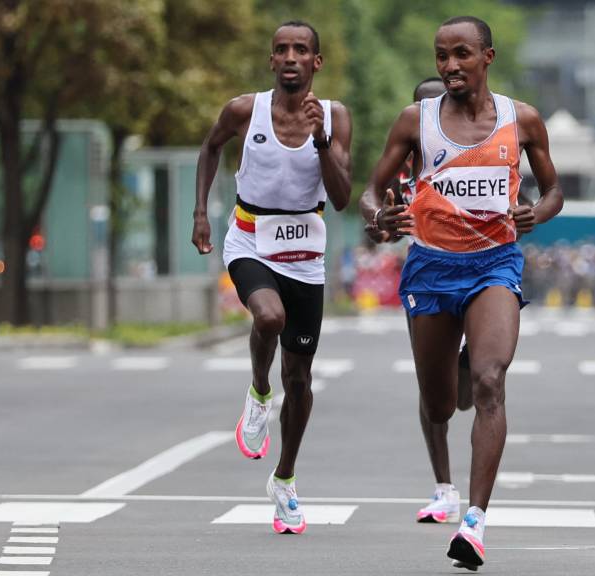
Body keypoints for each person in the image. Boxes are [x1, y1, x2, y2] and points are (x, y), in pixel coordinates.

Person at [360, 16, 563, 570]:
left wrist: (536, 213)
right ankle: (460, 370)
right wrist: (381, 215)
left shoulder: (522, 120)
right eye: (441, 56)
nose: (450, 66)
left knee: (491, 381)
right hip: (431, 267)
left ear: (487, 57)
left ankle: (474, 522)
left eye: (461, 54)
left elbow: (554, 190)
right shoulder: (414, 121)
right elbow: (371, 192)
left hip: (494, 264)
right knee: (439, 402)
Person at [190, 20, 352, 535]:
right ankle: (258, 392)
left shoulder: (334, 117)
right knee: (269, 315)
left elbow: (343, 197)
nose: (289, 57)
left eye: (301, 50)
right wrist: (200, 212)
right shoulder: (245, 109)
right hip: (250, 239)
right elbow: (210, 148)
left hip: (305, 252)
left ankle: (285, 480)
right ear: (271, 60)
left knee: (300, 378)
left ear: (315, 63)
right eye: (281, 49)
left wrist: (323, 141)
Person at [366, 76, 473, 525]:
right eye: (425, 107)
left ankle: (470, 363)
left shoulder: (478, 150)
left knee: (477, 384)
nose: (435, 113)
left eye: (443, 103)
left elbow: (520, 202)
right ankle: (445, 488)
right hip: (427, 275)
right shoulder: (404, 169)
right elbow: (375, 210)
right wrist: (382, 223)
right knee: (434, 391)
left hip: (482, 271)